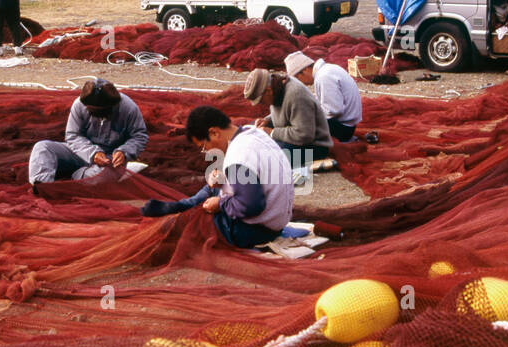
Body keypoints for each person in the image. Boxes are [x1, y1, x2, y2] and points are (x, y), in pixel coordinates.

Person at [141, 105, 294, 248]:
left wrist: (220, 204)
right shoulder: (250, 132)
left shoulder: (239, 155)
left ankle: (185, 208)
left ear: (214, 132)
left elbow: (250, 206)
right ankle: (186, 204)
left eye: (203, 146)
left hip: (256, 230)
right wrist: (224, 181)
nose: (206, 151)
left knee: (190, 224)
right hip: (275, 220)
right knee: (212, 188)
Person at [28, 79, 148, 185]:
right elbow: (72, 136)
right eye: (92, 111)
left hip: (110, 160)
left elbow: (139, 136)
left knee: (106, 174)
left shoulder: (128, 108)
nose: (97, 115)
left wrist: (124, 152)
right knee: (42, 147)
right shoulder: (79, 105)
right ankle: (43, 185)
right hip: (80, 153)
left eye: (102, 111)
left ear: (112, 106)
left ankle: (78, 176)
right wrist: (93, 154)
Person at [242, 66, 332, 166]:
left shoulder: (296, 95)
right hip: (295, 135)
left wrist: (272, 132)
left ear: (268, 91)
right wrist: (267, 120)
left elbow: (304, 135)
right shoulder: (277, 87)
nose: (262, 104)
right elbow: (286, 111)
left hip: (314, 146)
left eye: (261, 100)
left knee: (267, 155)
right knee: (252, 129)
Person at [285, 50, 362, 141]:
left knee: (297, 126)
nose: (302, 83)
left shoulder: (324, 77)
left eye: (298, 78)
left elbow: (333, 110)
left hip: (343, 129)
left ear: (304, 70)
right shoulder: (326, 70)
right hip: (345, 125)